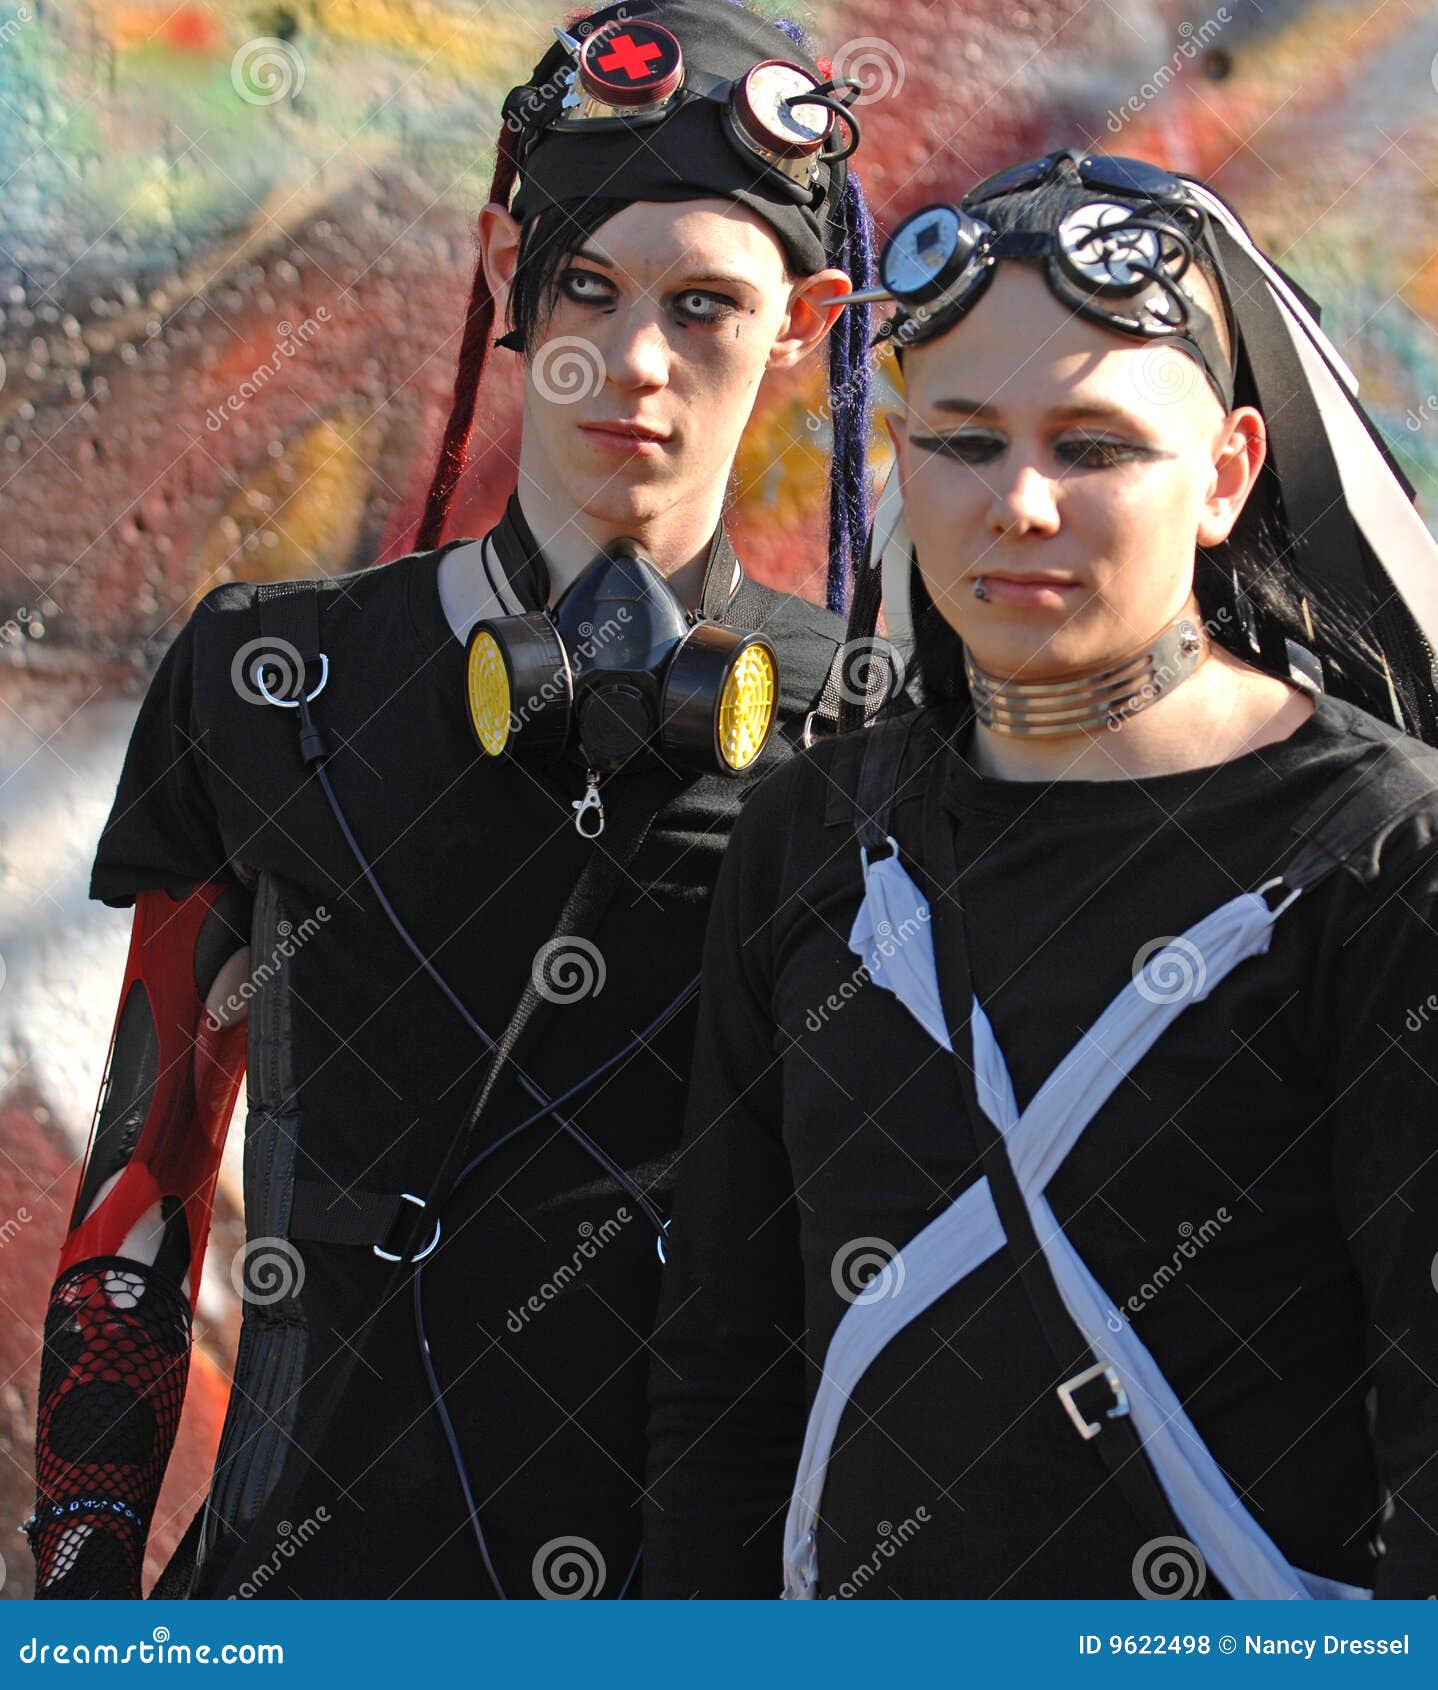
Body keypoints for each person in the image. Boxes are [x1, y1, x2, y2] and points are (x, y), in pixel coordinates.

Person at [25, 0, 880, 1600]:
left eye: (704, 304)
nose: (634, 360)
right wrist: (79, 1604)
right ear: (505, 270)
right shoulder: (265, 681)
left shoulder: (871, 731)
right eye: (586, 287)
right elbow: (143, 1187)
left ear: (804, 322)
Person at [643, 148, 1438, 1599]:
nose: (1017, 503)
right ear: (899, 454)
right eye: (962, 442)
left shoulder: (1385, 852)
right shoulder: (808, 837)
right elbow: (721, 1377)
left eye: (1092, 447)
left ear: (1224, 474)